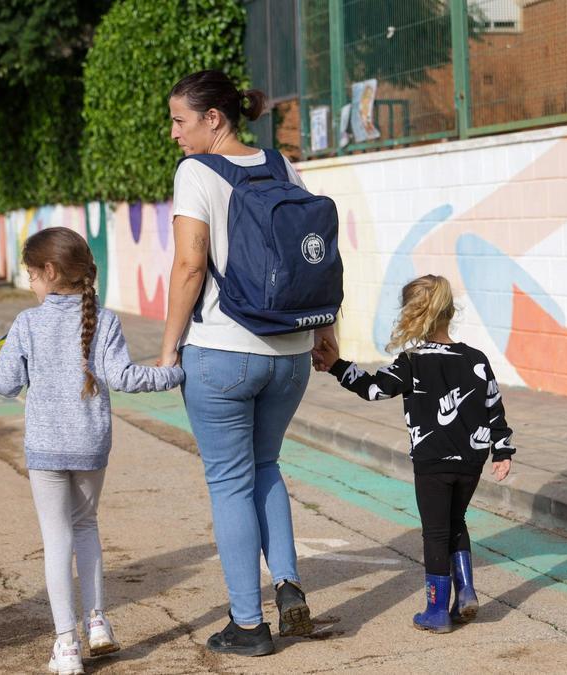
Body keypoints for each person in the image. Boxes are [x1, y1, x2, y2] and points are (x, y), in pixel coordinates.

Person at [159, 69, 338, 656]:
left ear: (214, 119)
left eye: (180, 121)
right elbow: (314, 255)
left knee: (230, 484)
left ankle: (246, 624)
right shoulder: (284, 165)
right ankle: (289, 590)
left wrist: (168, 348)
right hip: (289, 353)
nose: (174, 134)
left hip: (223, 354)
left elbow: (189, 266)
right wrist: (324, 334)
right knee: (267, 468)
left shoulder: (197, 173)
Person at [0, 227, 184, 675]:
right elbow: (124, 377)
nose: (30, 283)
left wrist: (3, 352)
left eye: (32, 275)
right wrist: (172, 373)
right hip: (90, 443)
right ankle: (98, 623)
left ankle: (66, 645)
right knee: (86, 526)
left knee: (56, 538)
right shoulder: (105, 318)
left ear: (51, 271)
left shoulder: (26, 323)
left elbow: (4, 385)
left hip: (46, 447)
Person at [315, 274, 515, 633]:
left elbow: (374, 389)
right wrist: (502, 450)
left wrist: (337, 366)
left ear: (412, 314)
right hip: (472, 460)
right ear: (450, 312)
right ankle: (465, 589)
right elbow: (494, 407)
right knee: (457, 522)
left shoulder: (412, 361)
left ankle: (436, 611)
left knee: (435, 532)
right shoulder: (476, 358)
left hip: (433, 462)